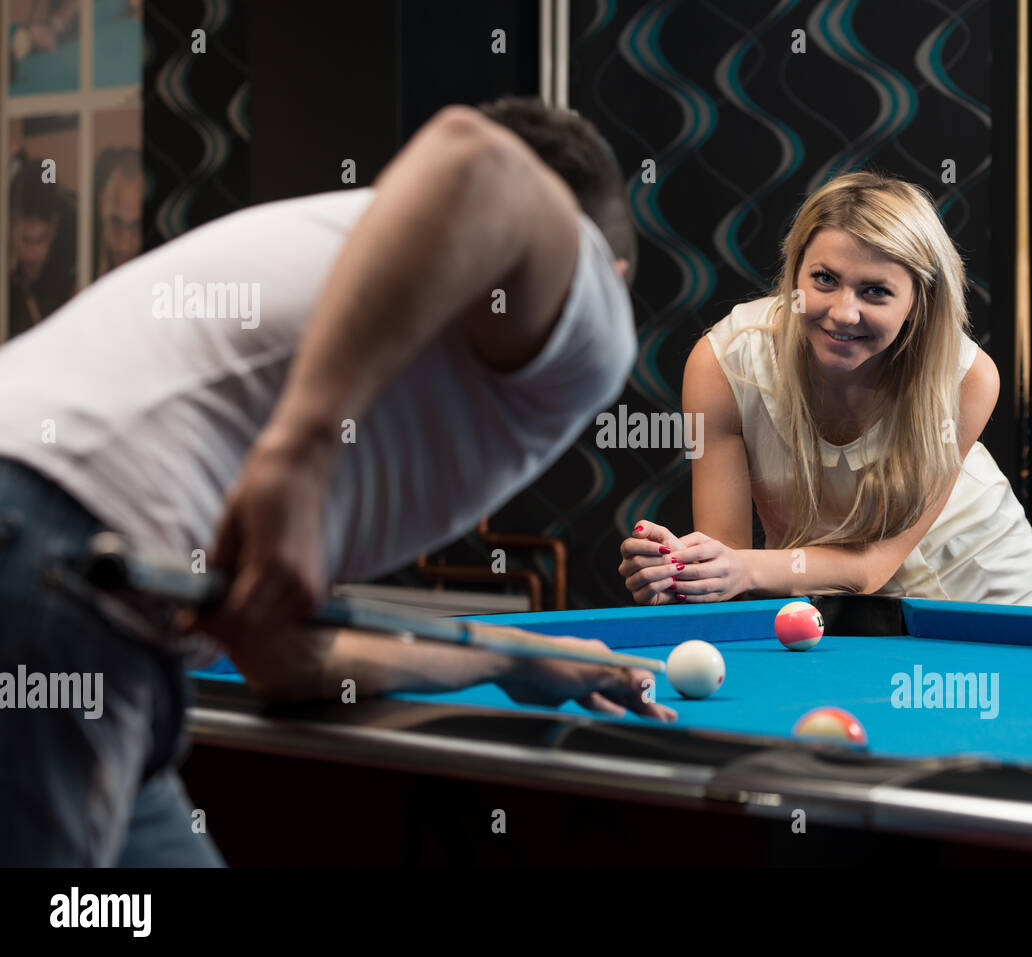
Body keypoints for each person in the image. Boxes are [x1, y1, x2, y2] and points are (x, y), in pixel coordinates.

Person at [0, 97, 673, 868]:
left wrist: (513, 654)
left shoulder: (342, 281)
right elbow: (474, 158)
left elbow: (284, 661)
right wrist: (299, 453)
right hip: (53, 563)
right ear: (606, 272)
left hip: (78, 583)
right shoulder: (597, 319)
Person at [619, 171, 1032, 606]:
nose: (843, 313)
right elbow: (724, 564)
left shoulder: (968, 377)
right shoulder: (724, 364)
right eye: (825, 279)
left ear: (919, 300)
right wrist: (684, 574)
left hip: (981, 583)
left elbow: (871, 565)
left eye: (876, 291)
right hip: (822, 594)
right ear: (795, 273)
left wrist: (739, 568)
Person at [7, 153, 76, 337]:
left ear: (54, 227)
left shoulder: (73, 258)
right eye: (24, 239)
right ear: (12, 224)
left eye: (39, 240)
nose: (30, 254)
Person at [94, 147, 144, 277]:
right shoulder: (81, 258)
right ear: (101, 205)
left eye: (136, 229)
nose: (125, 246)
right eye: (117, 226)